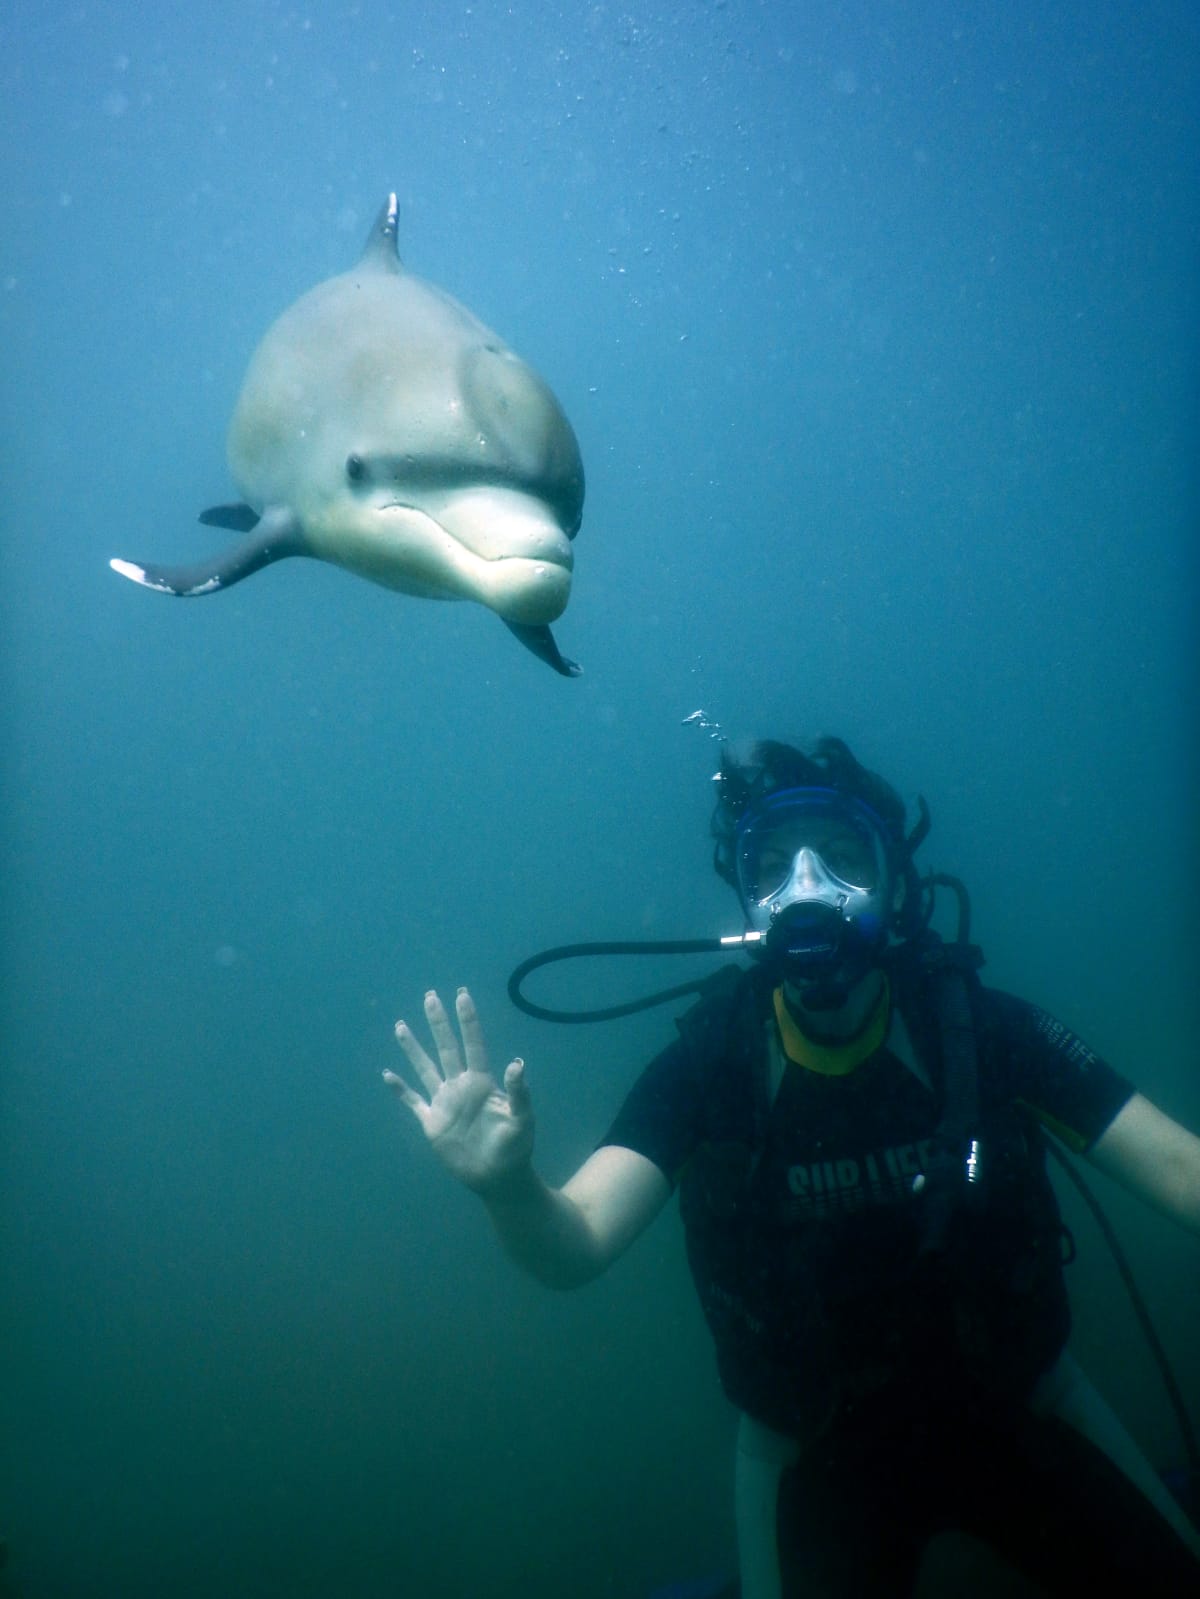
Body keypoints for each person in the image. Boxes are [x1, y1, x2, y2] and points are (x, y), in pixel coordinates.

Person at [385, 736, 1200, 1597]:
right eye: (771, 866)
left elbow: (1182, 1170)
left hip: (1030, 1403)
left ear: (894, 881)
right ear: (747, 896)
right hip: (804, 1452)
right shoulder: (708, 1070)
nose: (806, 887)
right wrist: (510, 1191)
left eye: (842, 856)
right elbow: (576, 1243)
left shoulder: (986, 1034)